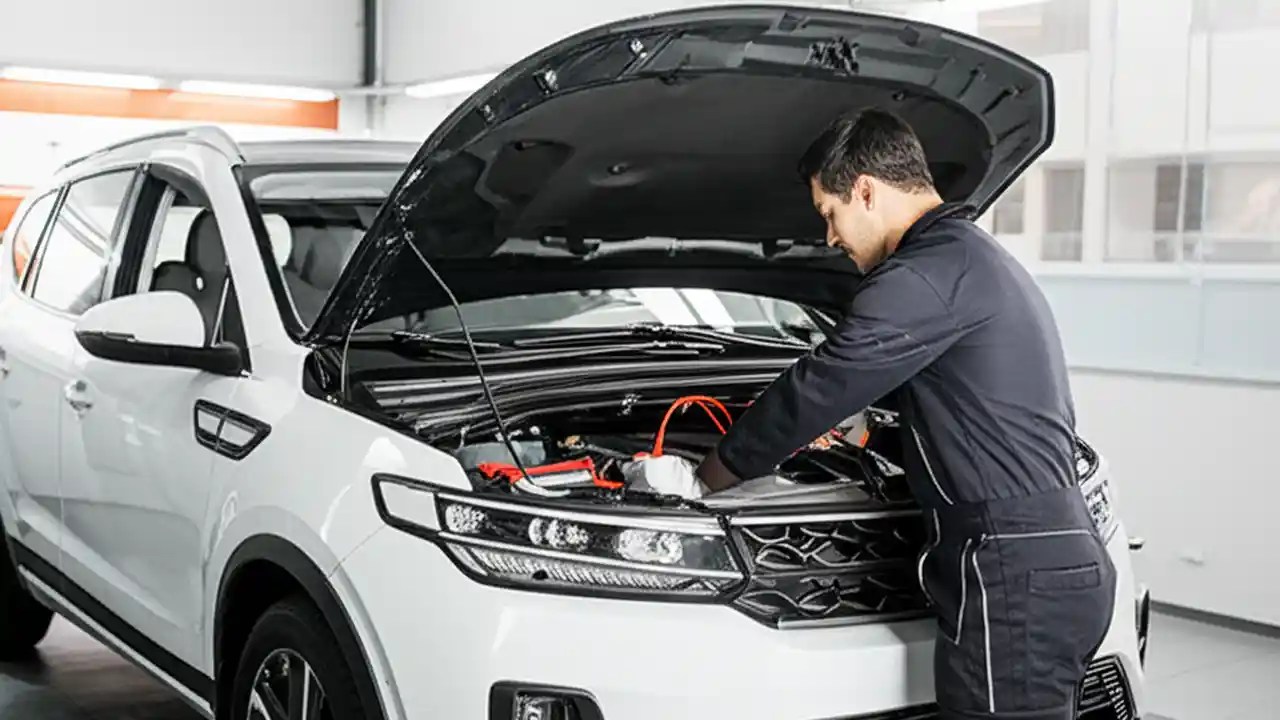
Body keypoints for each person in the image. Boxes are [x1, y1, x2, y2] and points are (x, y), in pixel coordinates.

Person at [695, 109, 1117, 720]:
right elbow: (962, 412)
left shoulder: (924, 276)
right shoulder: (969, 260)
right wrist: (867, 433)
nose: (831, 239)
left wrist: (706, 476)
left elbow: (814, 389)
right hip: (1053, 560)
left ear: (865, 190)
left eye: (829, 216)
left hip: (1013, 577)